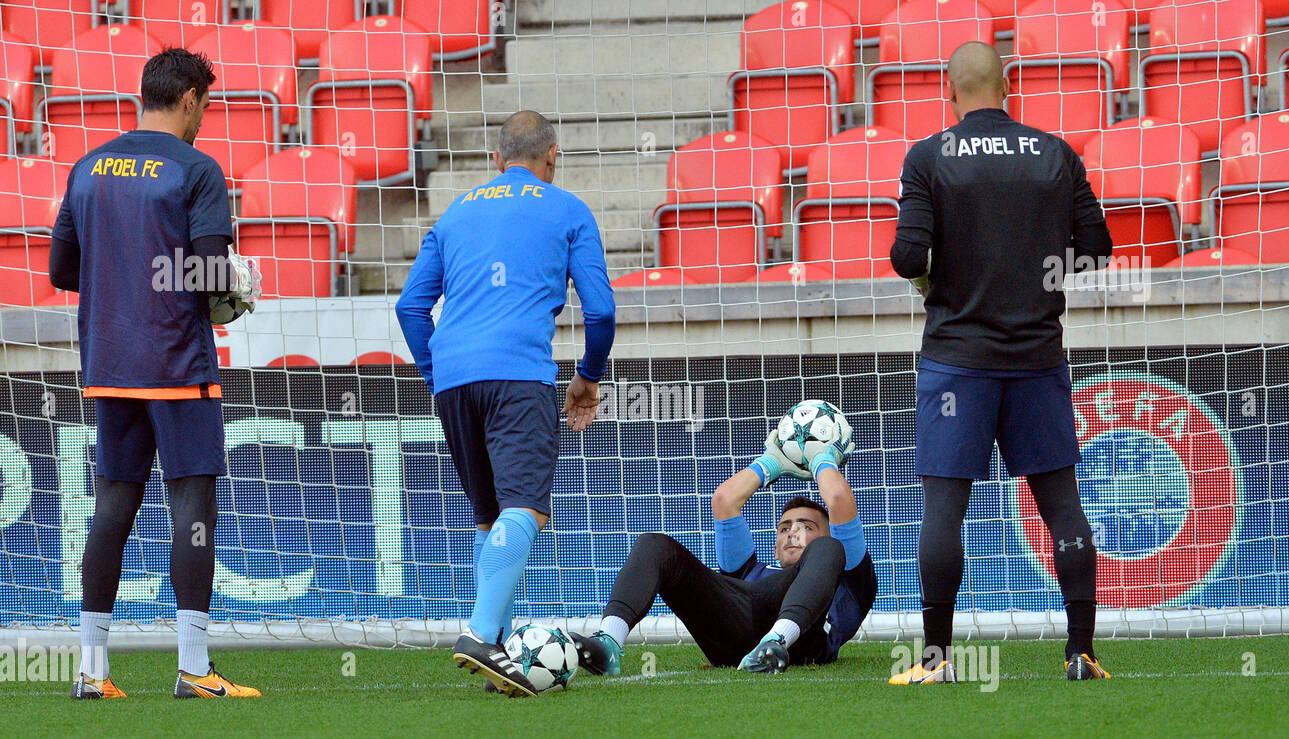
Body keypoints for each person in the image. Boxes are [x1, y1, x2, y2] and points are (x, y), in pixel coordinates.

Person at [888, 41, 1114, 684]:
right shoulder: (1054, 153)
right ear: (1008, 88)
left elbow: (907, 258)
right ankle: (1080, 653)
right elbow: (1097, 248)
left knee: (944, 510)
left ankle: (936, 660)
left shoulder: (929, 156)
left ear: (948, 89)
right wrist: (1034, 269)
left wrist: (942, 275)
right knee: (1062, 507)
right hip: (1037, 357)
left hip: (957, 361)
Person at [50, 48, 262, 700]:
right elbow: (209, 272)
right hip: (176, 363)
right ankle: (194, 667)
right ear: (191, 98)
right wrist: (237, 282)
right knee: (193, 507)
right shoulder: (196, 169)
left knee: (112, 505)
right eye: (206, 106)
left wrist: (126, 281)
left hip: (109, 363)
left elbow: (61, 270)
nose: (203, 119)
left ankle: (92, 670)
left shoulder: (88, 167)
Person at [396, 110, 616, 698]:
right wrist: (588, 377)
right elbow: (601, 311)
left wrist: (436, 373)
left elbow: (410, 308)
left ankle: (498, 647)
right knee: (527, 510)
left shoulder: (455, 213)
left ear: (497, 159)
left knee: (491, 518)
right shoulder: (567, 208)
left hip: (454, 379)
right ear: (552, 156)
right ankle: (478, 634)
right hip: (519, 374)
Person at [572, 428, 876, 675]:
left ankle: (776, 642)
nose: (792, 533)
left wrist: (822, 458)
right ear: (775, 545)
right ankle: (608, 642)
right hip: (733, 631)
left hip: (802, 645)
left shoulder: (849, 578)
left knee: (828, 549)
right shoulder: (749, 570)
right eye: (784, 528)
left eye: (806, 527)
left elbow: (838, 498)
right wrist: (770, 462)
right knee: (655, 544)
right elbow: (724, 501)